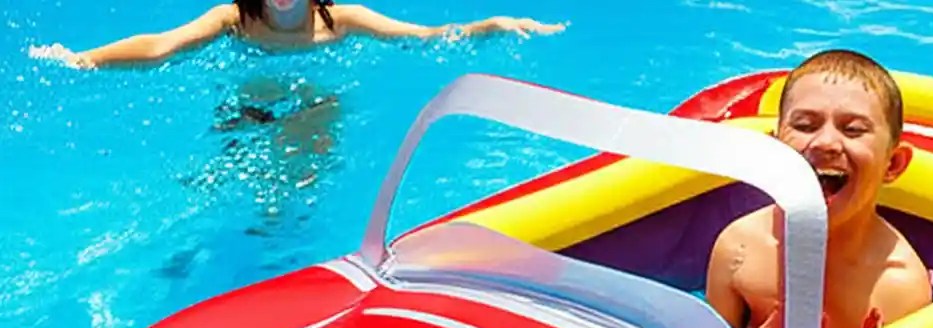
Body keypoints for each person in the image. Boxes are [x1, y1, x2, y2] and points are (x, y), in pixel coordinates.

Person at [704, 49, 933, 328]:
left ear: (893, 165)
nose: (826, 142)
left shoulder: (899, 286)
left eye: (853, 130)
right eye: (804, 125)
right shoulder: (739, 247)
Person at [33, 0, 566, 69]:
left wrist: (492, 26)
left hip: (313, 103)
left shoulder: (343, 20)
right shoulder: (232, 20)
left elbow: (427, 37)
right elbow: (160, 46)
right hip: (251, 109)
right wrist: (83, 58)